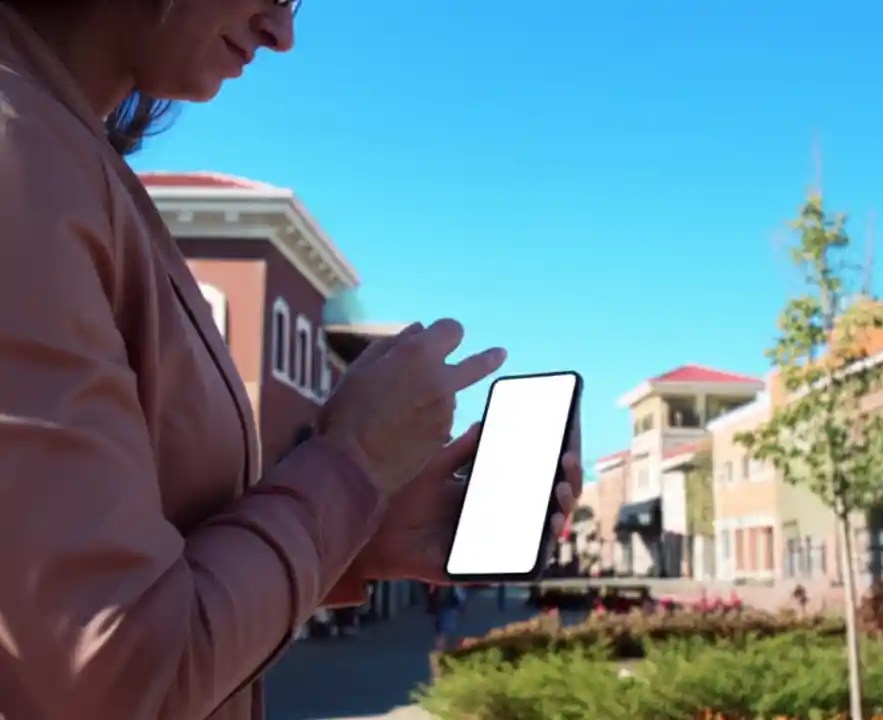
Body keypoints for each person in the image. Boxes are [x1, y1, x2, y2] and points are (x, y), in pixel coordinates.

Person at [0, 2, 584, 719]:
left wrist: (361, 531)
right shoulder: (20, 154)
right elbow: (117, 676)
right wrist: (350, 466)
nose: (283, 34)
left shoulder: (70, 158)